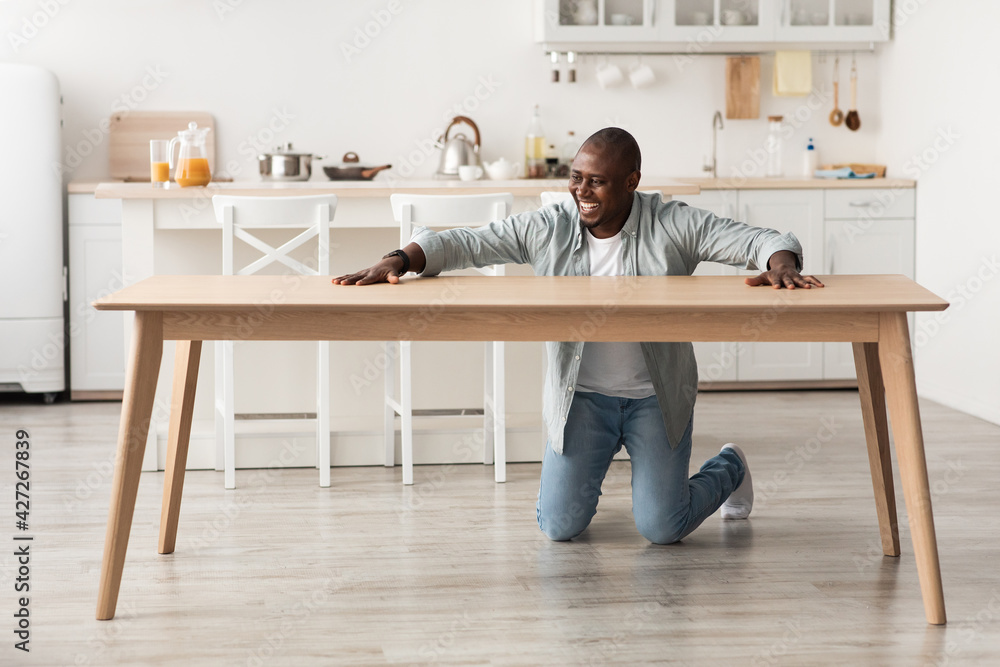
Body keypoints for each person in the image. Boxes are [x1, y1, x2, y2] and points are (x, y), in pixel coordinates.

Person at [333, 127, 824, 545]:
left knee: (661, 528)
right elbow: (468, 242)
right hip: (582, 399)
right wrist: (399, 258)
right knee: (559, 527)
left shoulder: (671, 223)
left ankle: (729, 467)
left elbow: (755, 239)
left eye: (598, 181)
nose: (582, 191)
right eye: (576, 177)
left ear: (632, 182)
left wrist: (780, 261)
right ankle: (596, 476)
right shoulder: (552, 226)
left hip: (655, 398)